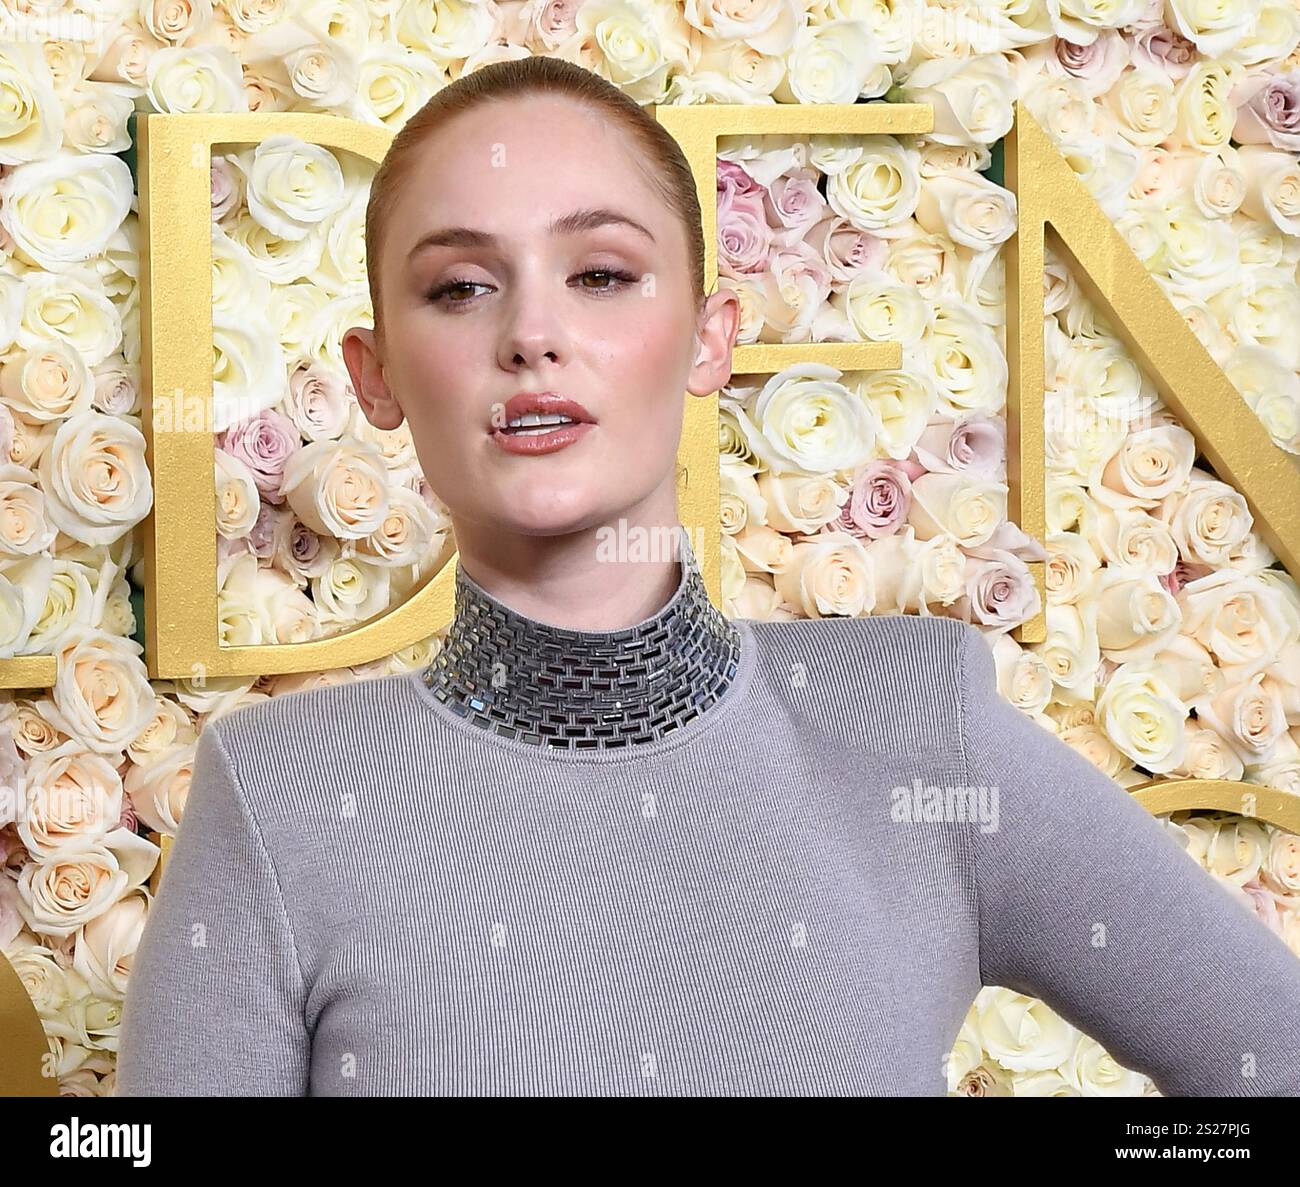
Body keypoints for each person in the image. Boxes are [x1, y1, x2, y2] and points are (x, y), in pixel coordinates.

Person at [114, 56, 1300, 1097]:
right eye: (461, 286)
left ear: (710, 336)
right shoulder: (281, 795)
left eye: (601, 274)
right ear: (373, 376)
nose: (531, 332)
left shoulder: (911, 728)